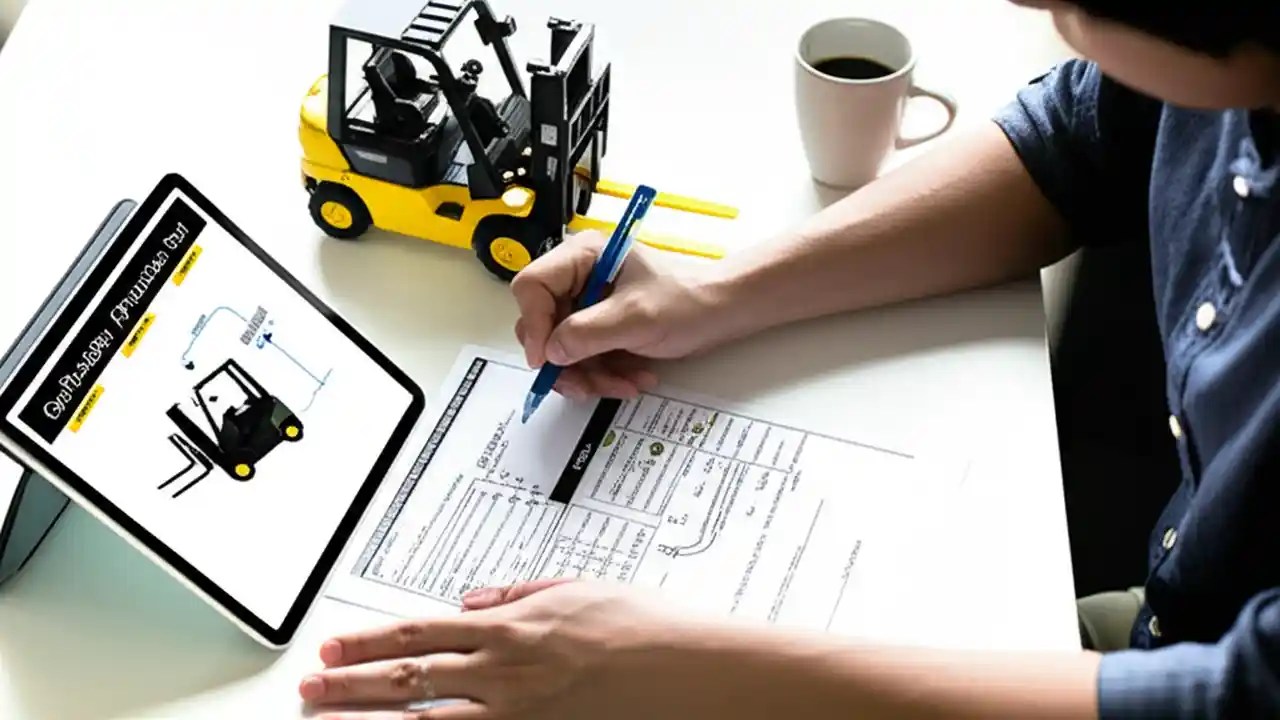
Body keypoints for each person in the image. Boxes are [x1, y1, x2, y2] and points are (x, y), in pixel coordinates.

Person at [297, 1, 1280, 717]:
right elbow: (1078, 140)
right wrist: (711, 297)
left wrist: (691, 669)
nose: (1022, 4)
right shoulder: (1216, 65)